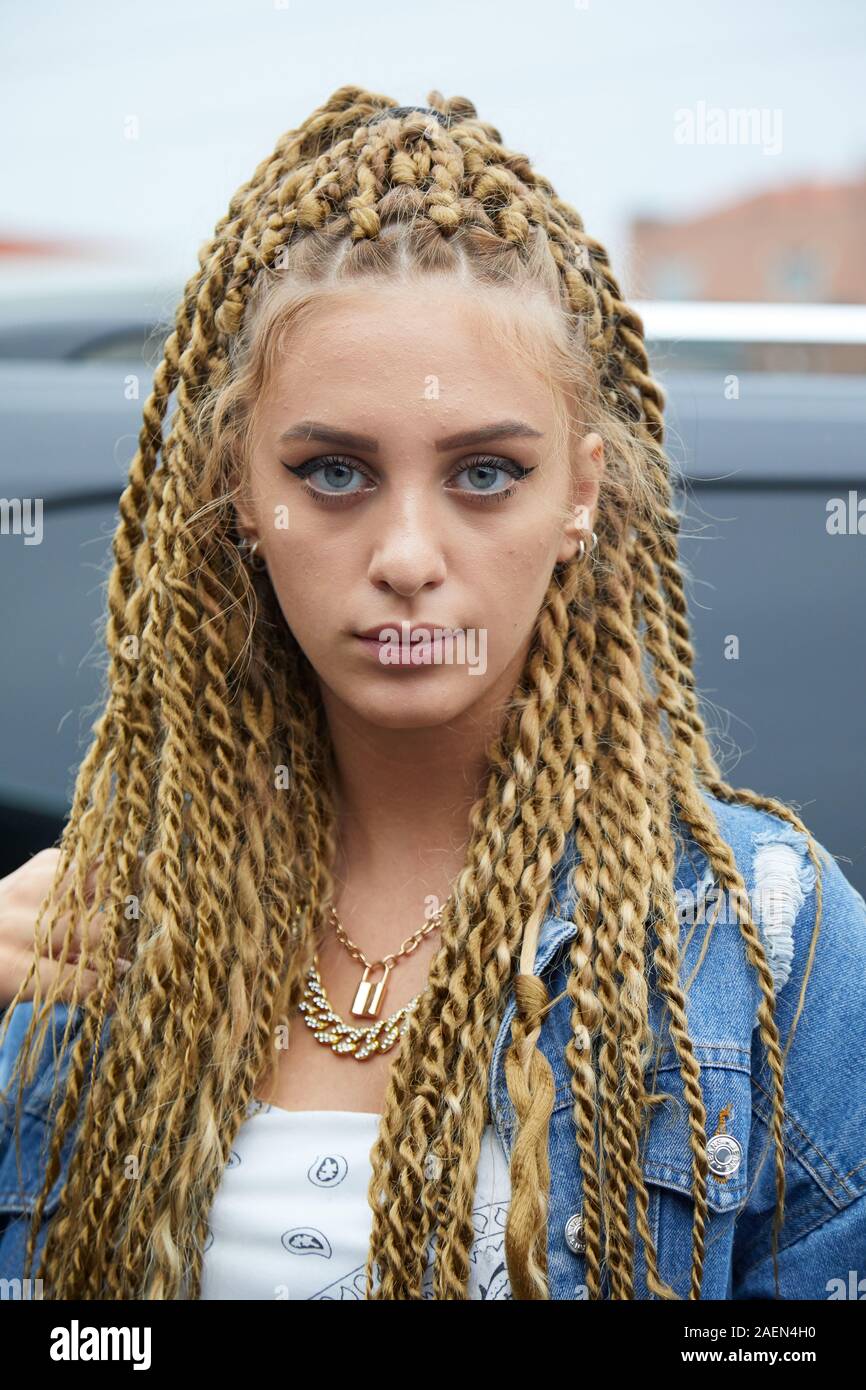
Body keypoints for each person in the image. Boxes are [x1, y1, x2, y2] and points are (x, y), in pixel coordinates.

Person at [1, 86, 864, 1302]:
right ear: (240, 490)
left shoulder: (764, 936)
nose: (407, 554)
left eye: (485, 472)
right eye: (334, 470)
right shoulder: (88, 928)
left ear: (580, 490)